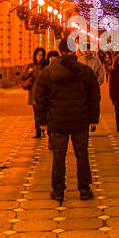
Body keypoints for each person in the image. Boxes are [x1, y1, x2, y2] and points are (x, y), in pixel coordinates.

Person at [35, 38, 100, 202]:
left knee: (58, 156)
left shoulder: (48, 72)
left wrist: (42, 122)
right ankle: (84, 189)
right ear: (74, 50)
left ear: (60, 51)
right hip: (80, 120)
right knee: (82, 154)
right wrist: (94, 119)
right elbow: (94, 96)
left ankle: (58, 191)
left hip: (57, 122)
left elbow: (41, 99)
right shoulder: (85, 71)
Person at [19, 46, 47, 138]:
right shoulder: (31, 66)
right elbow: (23, 77)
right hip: (34, 93)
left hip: (43, 93)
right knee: (36, 113)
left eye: (41, 55)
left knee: (43, 112)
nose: (39, 56)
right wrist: (29, 72)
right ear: (35, 55)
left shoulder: (45, 66)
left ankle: (43, 129)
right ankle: (38, 131)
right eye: (38, 54)